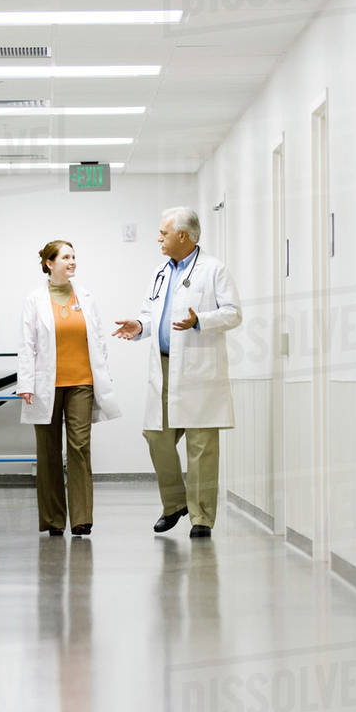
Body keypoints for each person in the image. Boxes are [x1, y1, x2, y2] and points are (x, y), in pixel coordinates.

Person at [113, 207, 242, 538]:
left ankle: (201, 518)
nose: (159, 237)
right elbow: (150, 312)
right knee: (155, 435)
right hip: (165, 365)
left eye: (163, 232)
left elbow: (233, 313)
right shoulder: (160, 273)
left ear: (182, 236)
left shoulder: (214, 269)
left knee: (201, 446)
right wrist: (139, 325)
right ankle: (174, 504)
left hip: (200, 369)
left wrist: (200, 319)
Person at [18, 239, 120, 537]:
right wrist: (25, 383)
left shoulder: (86, 297)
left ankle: (81, 518)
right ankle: (52, 520)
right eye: (66, 257)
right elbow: (26, 344)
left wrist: (104, 373)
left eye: (74, 256)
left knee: (79, 447)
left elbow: (98, 338)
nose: (72, 261)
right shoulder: (34, 299)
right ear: (50, 263)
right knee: (48, 451)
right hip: (45, 385)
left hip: (81, 383)